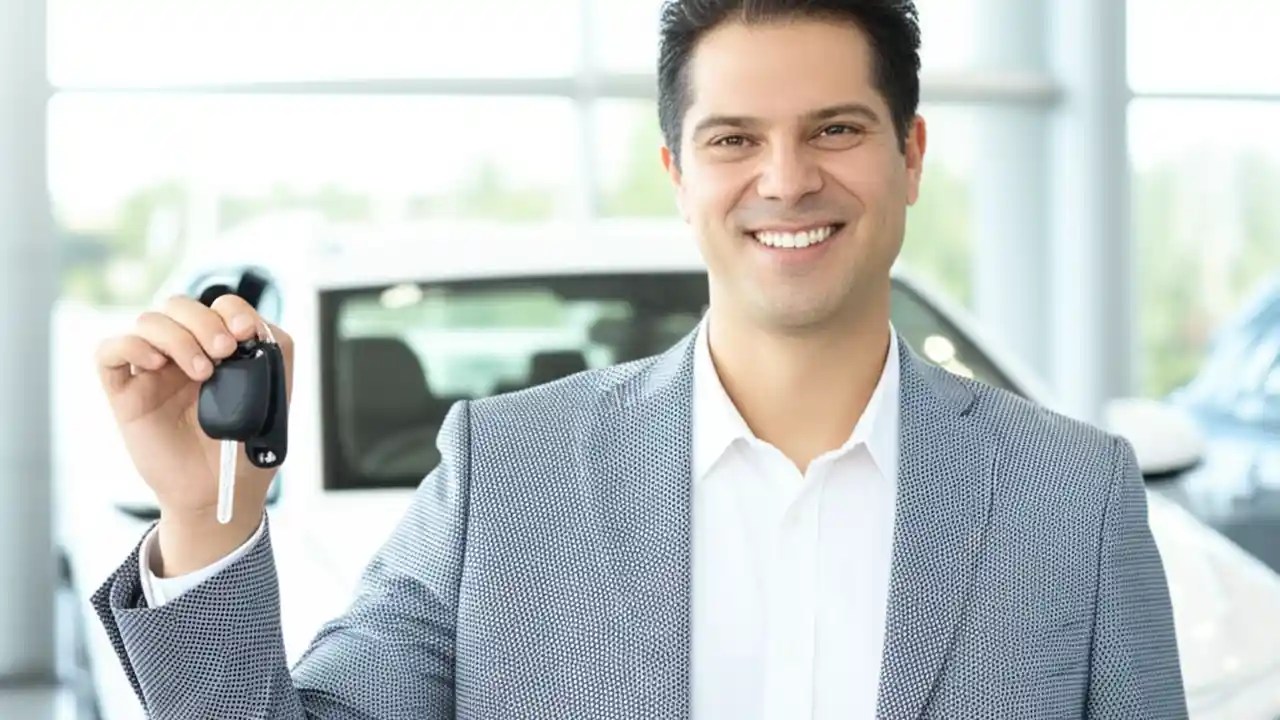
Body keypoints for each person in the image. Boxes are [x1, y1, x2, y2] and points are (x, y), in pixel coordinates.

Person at [91, 1, 1188, 717]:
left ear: (908, 155)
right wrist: (205, 517)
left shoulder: (1071, 492)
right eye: (732, 139)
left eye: (836, 130)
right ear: (676, 171)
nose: (786, 178)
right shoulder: (506, 471)